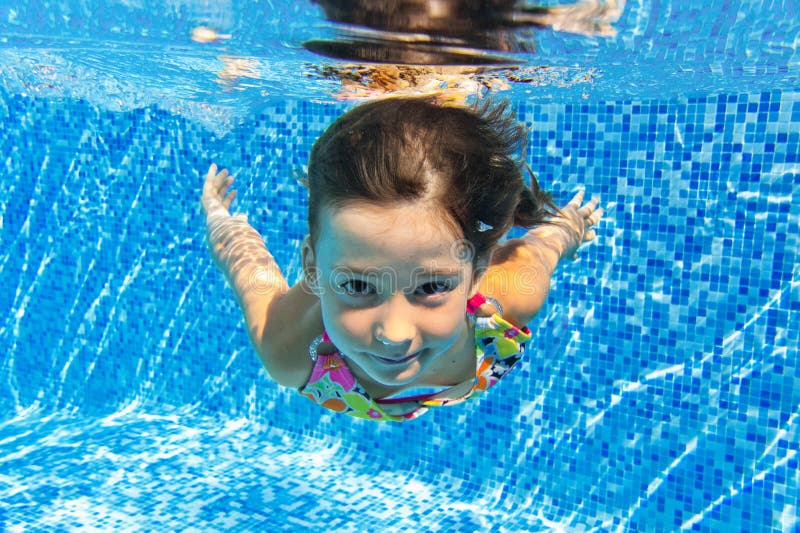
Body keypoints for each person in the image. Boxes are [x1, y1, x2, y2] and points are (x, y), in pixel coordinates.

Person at [201, 97, 602, 422]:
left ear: (476, 275)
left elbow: (545, 246)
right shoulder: (289, 349)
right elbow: (246, 268)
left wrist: (569, 228)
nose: (394, 334)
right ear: (312, 270)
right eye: (358, 285)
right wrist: (220, 219)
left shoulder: (510, 298)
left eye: (432, 286)